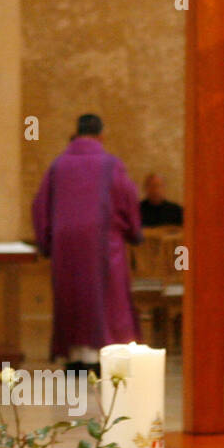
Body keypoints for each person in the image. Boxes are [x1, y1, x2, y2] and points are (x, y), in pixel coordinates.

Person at [32, 113, 143, 367]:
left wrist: (46, 242)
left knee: (72, 298)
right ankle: (103, 356)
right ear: (101, 135)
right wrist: (134, 232)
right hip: (103, 244)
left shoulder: (58, 165)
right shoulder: (110, 164)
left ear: (76, 133)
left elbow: (39, 205)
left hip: (65, 246)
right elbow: (127, 197)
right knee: (106, 301)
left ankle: (74, 357)